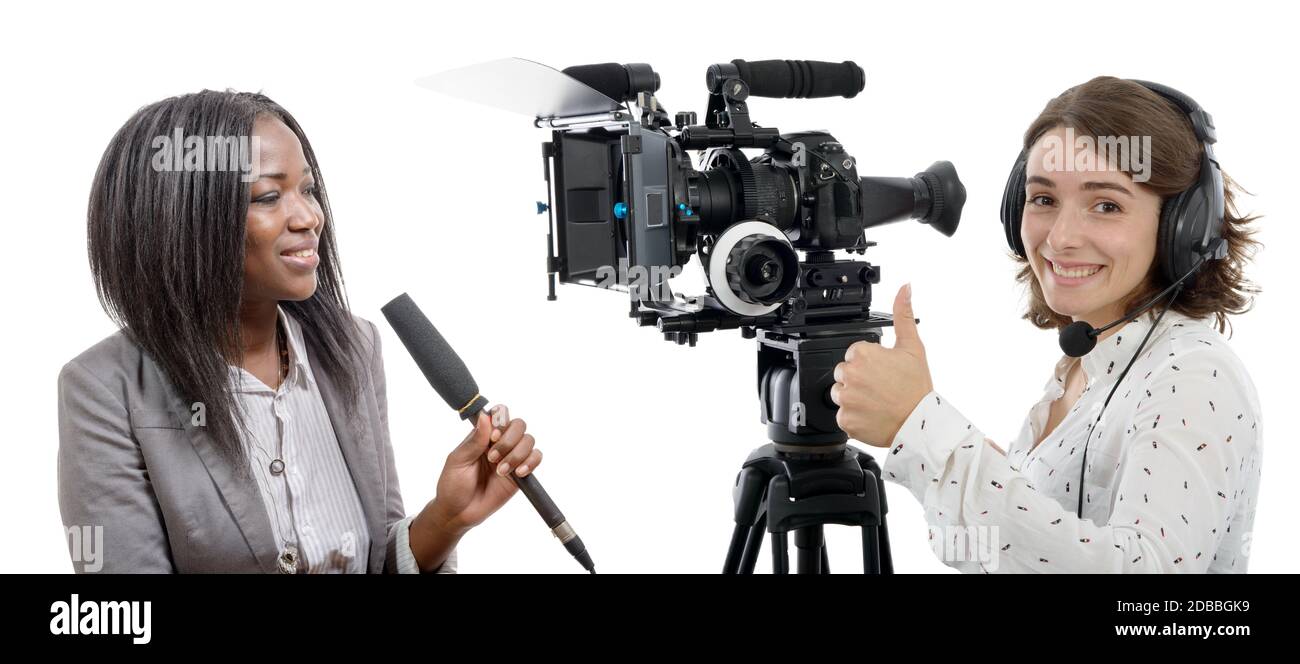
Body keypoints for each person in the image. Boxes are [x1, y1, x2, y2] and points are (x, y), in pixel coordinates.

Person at [58, 90, 540, 573]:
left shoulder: (354, 347)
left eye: (308, 190)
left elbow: (377, 559)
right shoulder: (104, 389)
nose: (310, 217)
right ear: (179, 219)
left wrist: (446, 519)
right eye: (269, 196)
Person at [830, 77, 1263, 572]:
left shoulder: (1193, 375)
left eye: (1106, 205)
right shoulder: (1082, 369)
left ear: (1182, 228)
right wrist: (973, 466)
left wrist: (924, 429)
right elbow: (986, 556)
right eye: (1044, 199)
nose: (1060, 238)